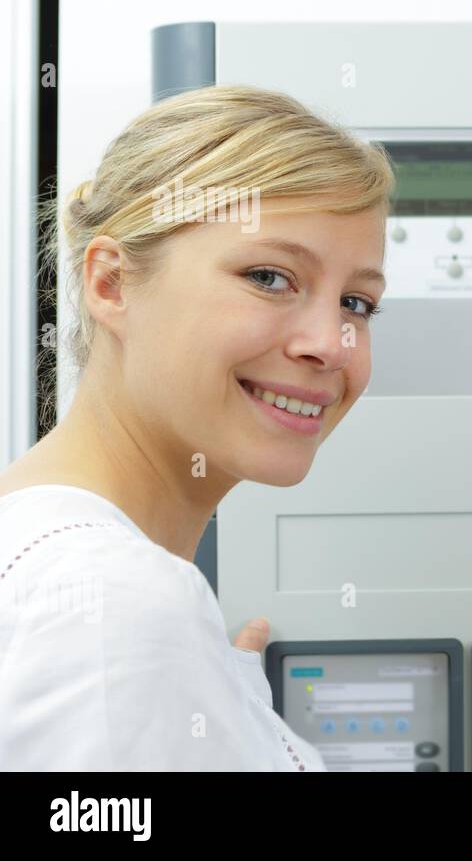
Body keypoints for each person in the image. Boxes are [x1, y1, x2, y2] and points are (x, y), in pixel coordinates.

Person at [0, 85, 393, 769]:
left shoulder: (73, 576)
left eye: (357, 302)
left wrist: (220, 707)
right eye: (270, 277)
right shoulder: (121, 609)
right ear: (111, 284)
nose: (332, 344)